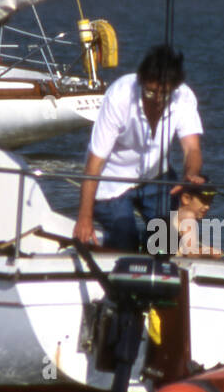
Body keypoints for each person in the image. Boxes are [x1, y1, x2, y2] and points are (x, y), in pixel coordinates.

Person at [73, 45, 204, 251]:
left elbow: (192, 149)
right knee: (125, 239)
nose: (157, 100)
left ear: (175, 88)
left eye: (164, 94)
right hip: (111, 182)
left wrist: (191, 175)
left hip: (156, 176)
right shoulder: (120, 96)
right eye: (150, 92)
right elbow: (94, 163)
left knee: (168, 240)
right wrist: (84, 217)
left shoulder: (184, 97)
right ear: (141, 82)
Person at [172, 177, 223, 257]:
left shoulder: (174, 214)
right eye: (204, 200)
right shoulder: (188, 216)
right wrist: (210, 252)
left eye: (210, 202)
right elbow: (190, 253)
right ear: (186, 199)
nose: (207, 207)